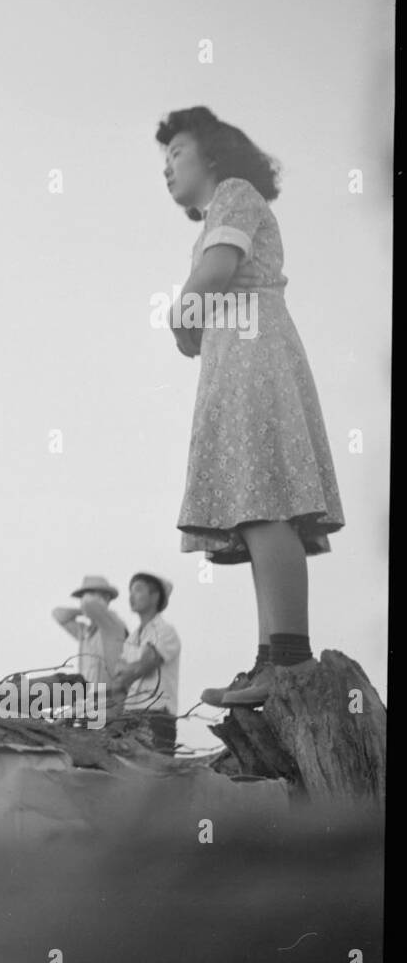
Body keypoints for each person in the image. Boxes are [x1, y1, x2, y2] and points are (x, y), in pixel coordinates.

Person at [157, 108, 343, 707]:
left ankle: (290, 658)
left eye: (177, 151)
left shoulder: (235, 195)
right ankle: (274, 658)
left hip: (252, 353)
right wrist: (192, 320)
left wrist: (178, 314)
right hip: (238, 357)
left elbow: (215, 274)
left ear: (212, 154)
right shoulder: (219, 213)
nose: (167, 166)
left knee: (266, 499)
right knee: (258, 502)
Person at [111, 573, 181, 754]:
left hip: (156, 715)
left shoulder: (165, 631)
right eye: (130, 591)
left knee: (155, 777)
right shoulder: (132, 638)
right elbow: (120, 677)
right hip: (129, 714)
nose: (131, 596)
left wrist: (129, 670)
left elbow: (144, 666)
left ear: (155, 595)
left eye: (138, 589)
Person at [51, 575, 128, 691]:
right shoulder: (85, 631)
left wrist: (89, 605)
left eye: (91, 593)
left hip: (110, 696)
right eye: (82, 596)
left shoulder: (113, 624)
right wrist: (82, 611)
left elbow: (89, 603)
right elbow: (58, 614)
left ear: (106, 598)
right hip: (89, 698)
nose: (84, 599)